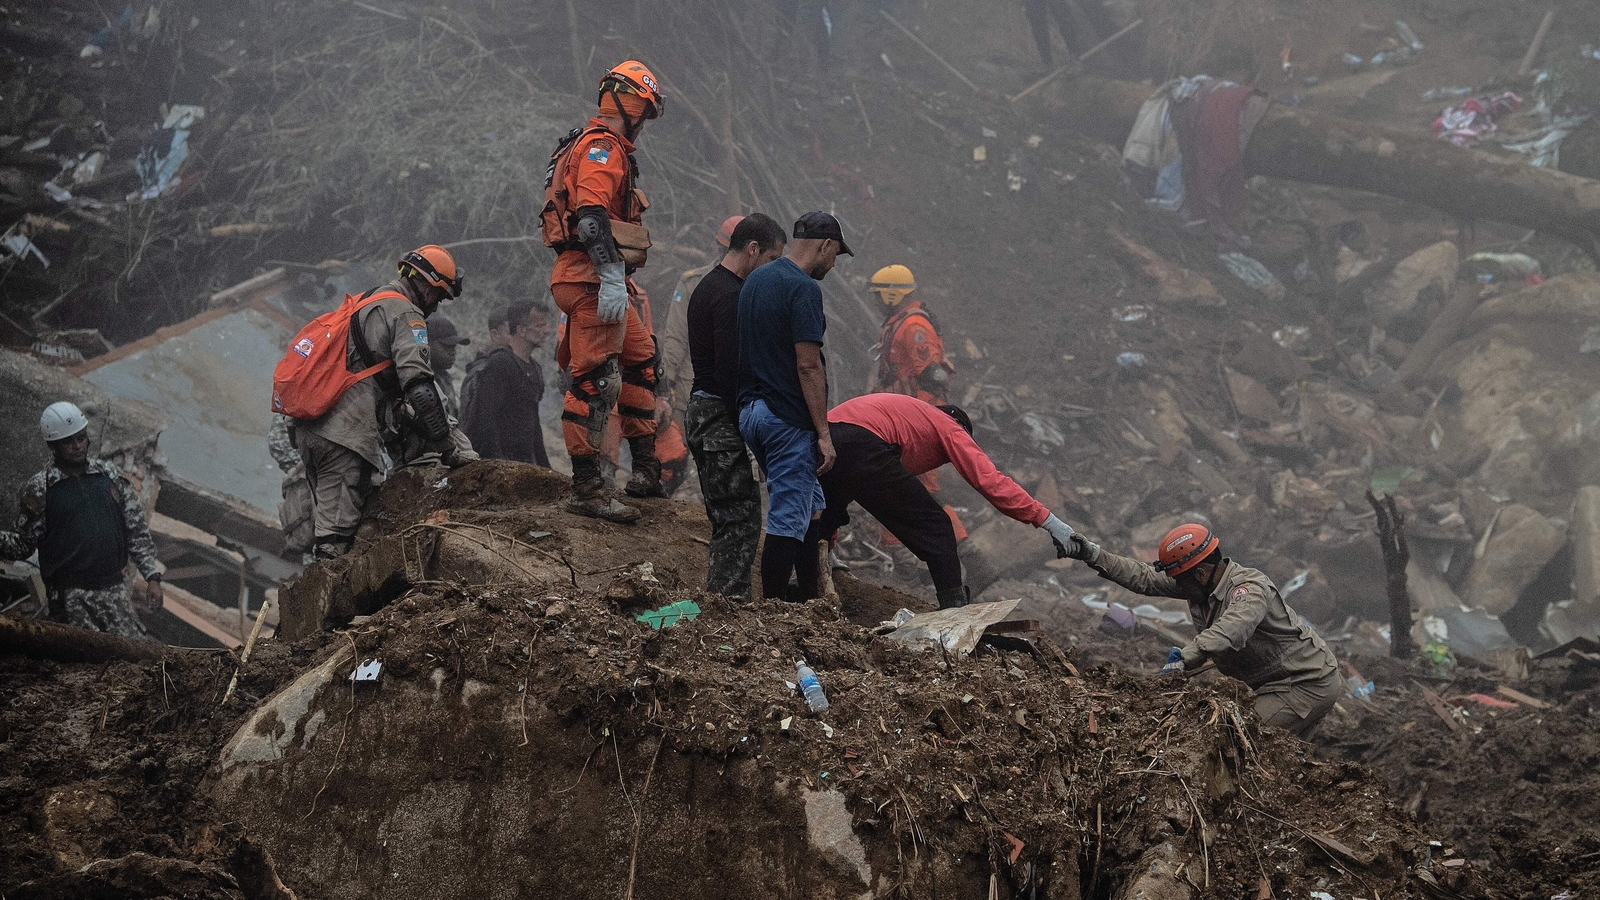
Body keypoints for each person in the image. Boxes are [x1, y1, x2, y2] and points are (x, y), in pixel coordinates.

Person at [1056, 523, 1342, 739]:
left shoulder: (1249, 589)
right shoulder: (1199, 583)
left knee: (1234, 737)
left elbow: (1233, 627)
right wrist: (1092, 554)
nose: (1175, 586)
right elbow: (1143, 578)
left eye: (1178, 580)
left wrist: (1187, 654)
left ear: (1200, 573)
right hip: (1268, 683)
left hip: (1304, 684)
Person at [796, 393, 1078, 609]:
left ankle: (806, 598)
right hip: (863, 440)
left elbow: (838, 493)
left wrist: (829, 547)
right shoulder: (949, 426)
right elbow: (990, 481)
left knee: (823, 513)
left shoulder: (908, 416)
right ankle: (954, 612)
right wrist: (1048, 521)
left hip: (825, 436)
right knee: (938, 527)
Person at [292, 245, 477, 560]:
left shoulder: (368, 300)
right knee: (335, 539)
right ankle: (328, 601)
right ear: (423, 284)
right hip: (342, 434)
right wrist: (447, 446)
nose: (436, 305)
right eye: (438, 295)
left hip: (311, 426)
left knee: (328, 522)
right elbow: (420, 388)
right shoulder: (406, 312)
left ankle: (323, 593)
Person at [542, 60, 666, 522]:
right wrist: (612, 274)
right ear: (633, 106)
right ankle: (588, 489)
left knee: (641, 359)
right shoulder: (602, 148)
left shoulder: (588, 143)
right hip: (590, 276)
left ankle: (647, 472)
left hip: (589, 274)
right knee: (594, 380)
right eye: (645, 112)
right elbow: (592, 217)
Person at [738, 211, 852, 601]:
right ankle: (772, 609)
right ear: (824, 245)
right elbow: (807, 364)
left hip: (752, 411)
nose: (834, 264)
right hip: (785, 417)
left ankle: (809, 599)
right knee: (787, 513)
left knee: (811, 504)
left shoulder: (756, 279)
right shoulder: (803, 289)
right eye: (836, 254)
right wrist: (824, 433)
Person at [685, 213, 786, 599]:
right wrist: (750, 429)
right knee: (739, 518)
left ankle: (725, 600)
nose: (774, 270)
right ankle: (726, 604)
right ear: (753, 249)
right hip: (718, 416)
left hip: (706, 412)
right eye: (773, 260)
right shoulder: (730, 296)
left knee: (730, 515)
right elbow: (730, 372)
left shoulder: (710, 286)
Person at [0, 402, 162, 638]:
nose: (77, 447)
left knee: (135, 659)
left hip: (113, 591)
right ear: (53, 446)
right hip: (70, 597)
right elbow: (23, 545)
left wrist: (153, 577)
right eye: (68, 442)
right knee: (84, 664)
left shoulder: (110, 477)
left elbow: (136, 532)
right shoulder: (41, 488)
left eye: (81, 438)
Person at [656, 215, 744, 494]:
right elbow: (676, 337)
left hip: (737, 396)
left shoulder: (757, 290)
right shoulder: (693, 283)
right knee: (679, 460)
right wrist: (664, 385)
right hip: (690, 390)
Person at [461, 301, 552, 467]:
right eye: (540, 326)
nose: (546, 331)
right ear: (521, 330)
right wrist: (498, 465)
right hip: (499, 464)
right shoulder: (500, 363)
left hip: (522, 463)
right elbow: (485, 418)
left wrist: (545, 467)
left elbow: (533, 425)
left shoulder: (534, 369)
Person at [867, 264, 954, 404]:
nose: (875, 302)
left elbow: (932, 379)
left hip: (919, 409)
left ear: (891, 295)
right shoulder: (900, 323)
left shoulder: (913, 327)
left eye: (877, 295)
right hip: (905, 405)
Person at [425, 314, 470, 418]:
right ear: (427, 344)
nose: (453, 352)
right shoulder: (418, 380)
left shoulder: (444, 378)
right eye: (446, 346)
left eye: (453, 347)